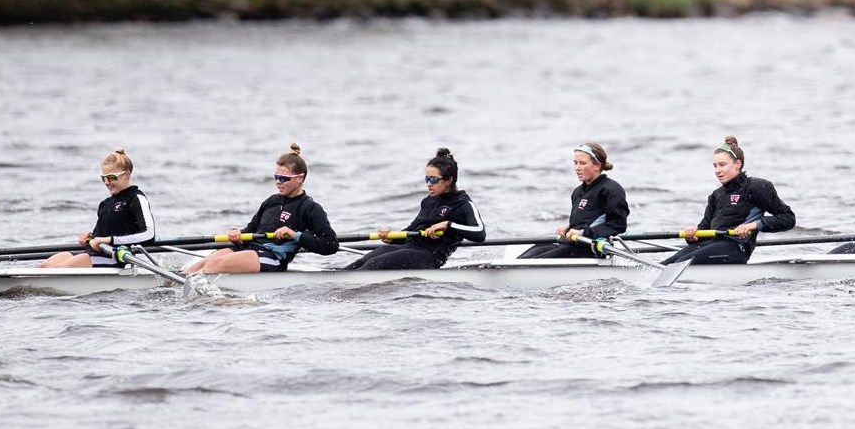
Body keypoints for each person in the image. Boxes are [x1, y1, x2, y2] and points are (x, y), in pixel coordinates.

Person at [184, 144, 340, 273]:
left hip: (273, 256)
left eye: (284, 178)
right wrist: (236, 232)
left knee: (213, 267)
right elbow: (251, 229)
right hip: (250, 248)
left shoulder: (310, 208)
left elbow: (331, 244)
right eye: (276, 177)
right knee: (198, 266)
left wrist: (295, 235)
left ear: (300, 179)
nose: (278, 182)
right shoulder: (271, 201)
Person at [346, 148, 486, 271]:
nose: (429, 184)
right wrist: (391, 238)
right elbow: (412, 230)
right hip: (409, 249)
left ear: (448, 180)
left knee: (374, 264)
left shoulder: (464, 204)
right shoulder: (429, 201)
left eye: (433, 180)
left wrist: (448, 225)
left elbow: (480, 233)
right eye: (427, 179)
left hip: (428, 256)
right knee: (360, 262)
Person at [665, 135, 795, 265]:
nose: (717, 171)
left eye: (722, 165)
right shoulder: (716, 195)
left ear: (737, 164)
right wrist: (693, 235)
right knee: (665, 264)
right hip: (711, 244)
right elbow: (704, 230)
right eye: (715, 166)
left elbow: (788, 218)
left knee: (681, 263)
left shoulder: (757, 187)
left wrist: (753, 225)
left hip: (736, 247)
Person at [38, 148, 155, 268]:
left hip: (116, 257)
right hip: (95, 253)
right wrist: (90, 237)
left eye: (111, 177)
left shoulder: (136, 198)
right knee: (43, 267)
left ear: (126, 174)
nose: (106, 182)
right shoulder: (105, 204)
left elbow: (149, 235)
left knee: (59, 269)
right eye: (103, 178)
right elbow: (101, 235)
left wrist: (109, 240)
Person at [519, 142, 631, 259]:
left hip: (590, 248)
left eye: (582, 163)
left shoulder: (611, 189)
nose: (577, 168)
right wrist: (569, 227)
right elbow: (586, 221)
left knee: (537, 260)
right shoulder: (578, 192)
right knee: (526, 256)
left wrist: (583, 233)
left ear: (597, 165)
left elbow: (618, 224)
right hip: (571, 245)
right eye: (575, 163)